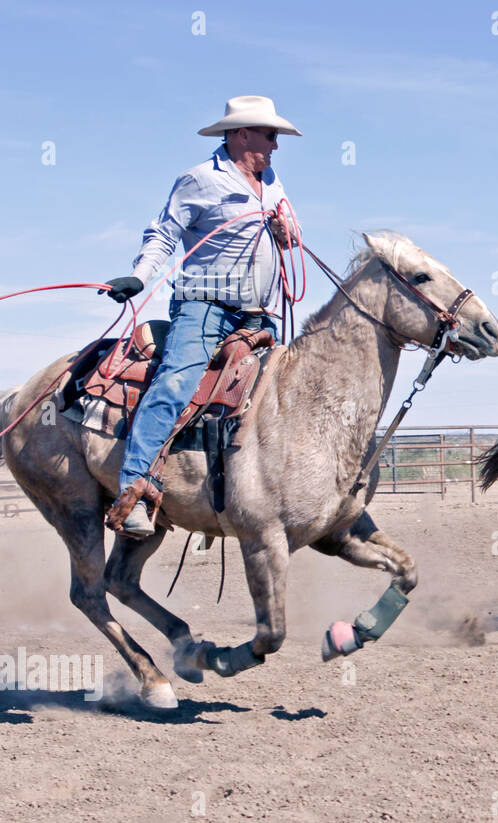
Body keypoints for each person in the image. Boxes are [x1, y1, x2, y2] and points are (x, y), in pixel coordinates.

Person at [101, 96, 302, 538]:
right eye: (270, 135)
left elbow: (291, 240)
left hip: (258, 317)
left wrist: (287, 235)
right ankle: (134, 488)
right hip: (205, 308)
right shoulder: (198, 180)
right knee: (176, 382)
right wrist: (139, 276)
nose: (275, 146)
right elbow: (164, 233)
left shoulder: (272, 182)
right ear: (241, 134)